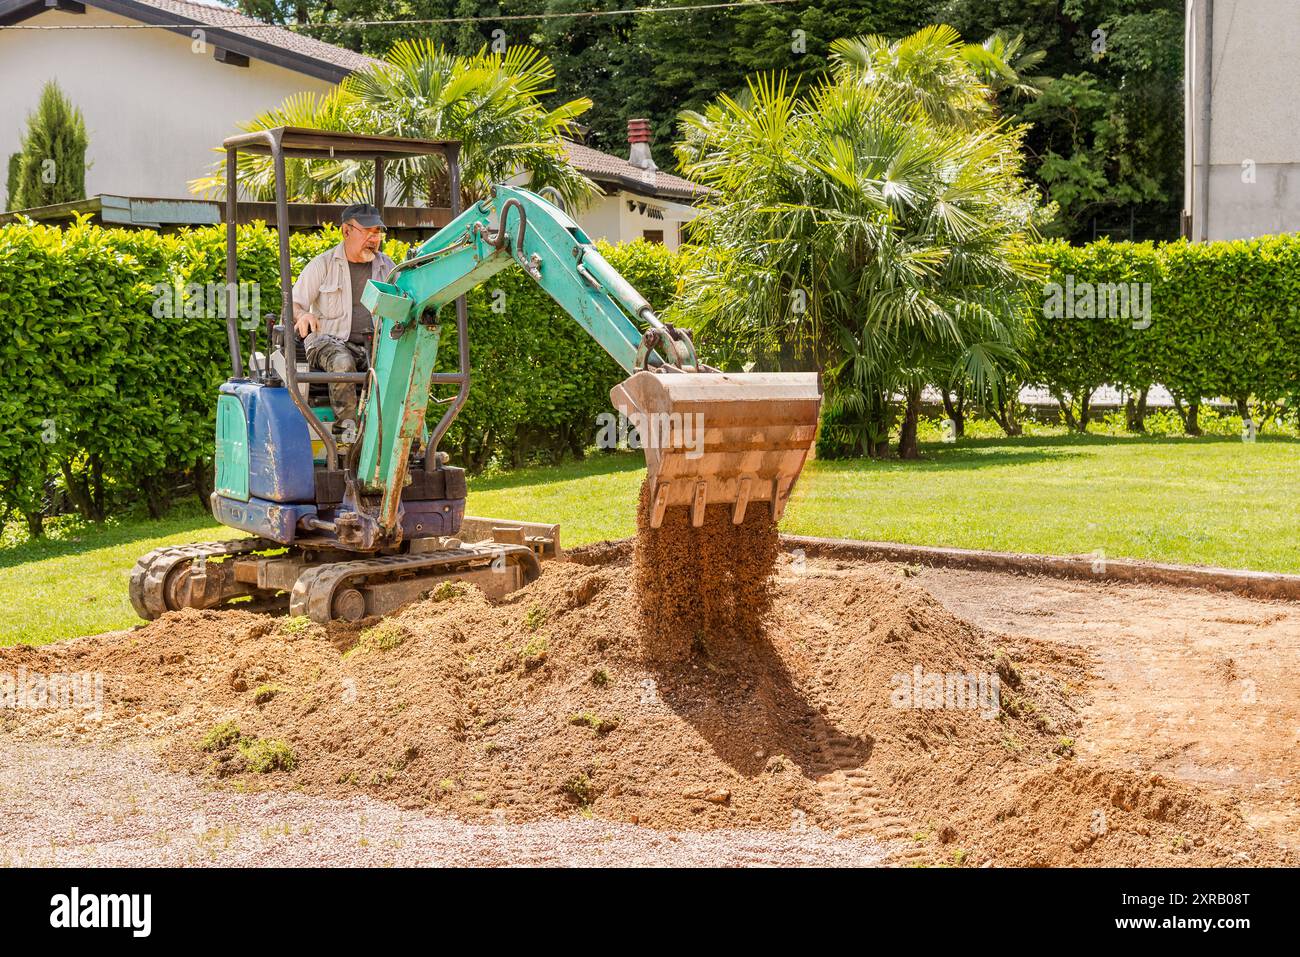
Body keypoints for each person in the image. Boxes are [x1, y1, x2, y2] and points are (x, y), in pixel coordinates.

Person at [291, 204, 396, 439]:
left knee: (403, 364)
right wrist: (303, 315)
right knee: (341, 362)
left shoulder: (387, 267)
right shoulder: (323, 265)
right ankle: (346, 436)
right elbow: (293, 305)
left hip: (372, 345)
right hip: (328, 342)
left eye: (377, 232)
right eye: (368, 231)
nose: (374, 238)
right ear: (346, 231)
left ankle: (401, 440)